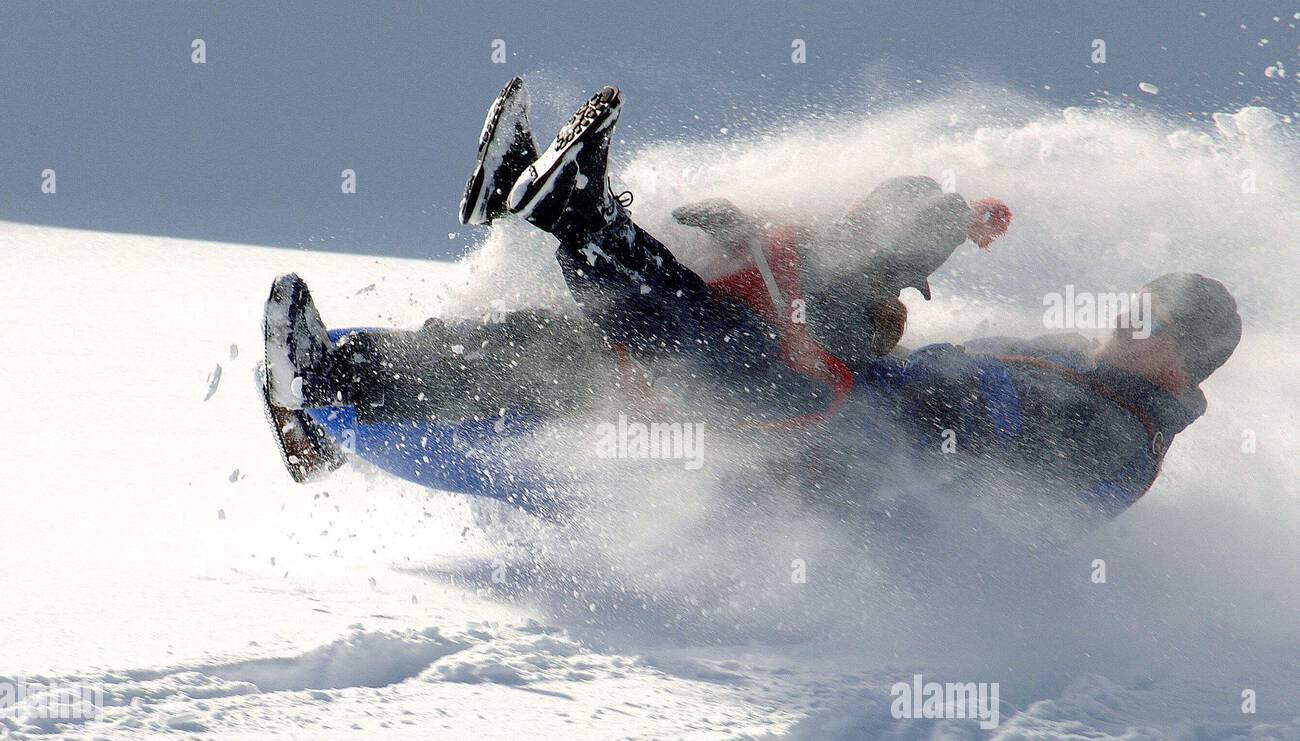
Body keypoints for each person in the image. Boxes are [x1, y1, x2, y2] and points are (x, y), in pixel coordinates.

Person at [261, 79, 1240, 528]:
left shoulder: (1122, 446)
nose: (1123, 319)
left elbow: (1003, 483)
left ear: (1179, 362)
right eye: (1133, 305)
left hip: (851, 477)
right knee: (585, 356)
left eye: (1148, 320)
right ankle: (332, 379)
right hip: (840, 410)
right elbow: (889, 311)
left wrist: (912, 412)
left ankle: (577, 219)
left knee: (739, 363)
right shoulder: (1064, 361)